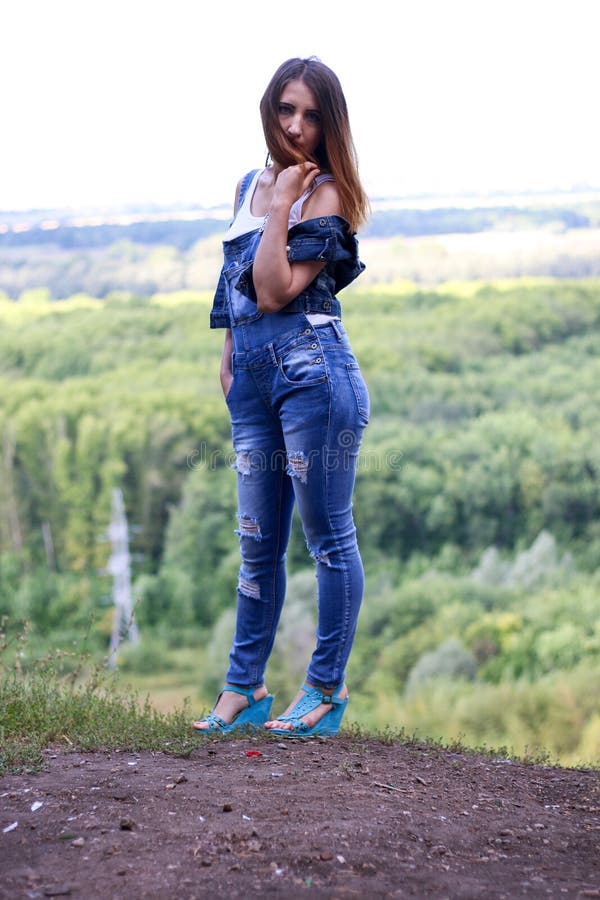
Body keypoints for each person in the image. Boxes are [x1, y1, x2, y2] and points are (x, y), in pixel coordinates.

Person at [193, 57, 370, 737]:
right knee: (256, 540)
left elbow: (272, 289)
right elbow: (233, 289)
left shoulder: (324, 194)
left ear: (330, 126)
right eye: (286, 109)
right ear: (269, 108)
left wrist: (281, 206)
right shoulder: (246, 183)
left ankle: (326, 688)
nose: (295, 127)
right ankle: (245, 687)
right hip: (255, 386)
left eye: (312, 115)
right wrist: (230, 360)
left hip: (314, 380)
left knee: (327, 538)